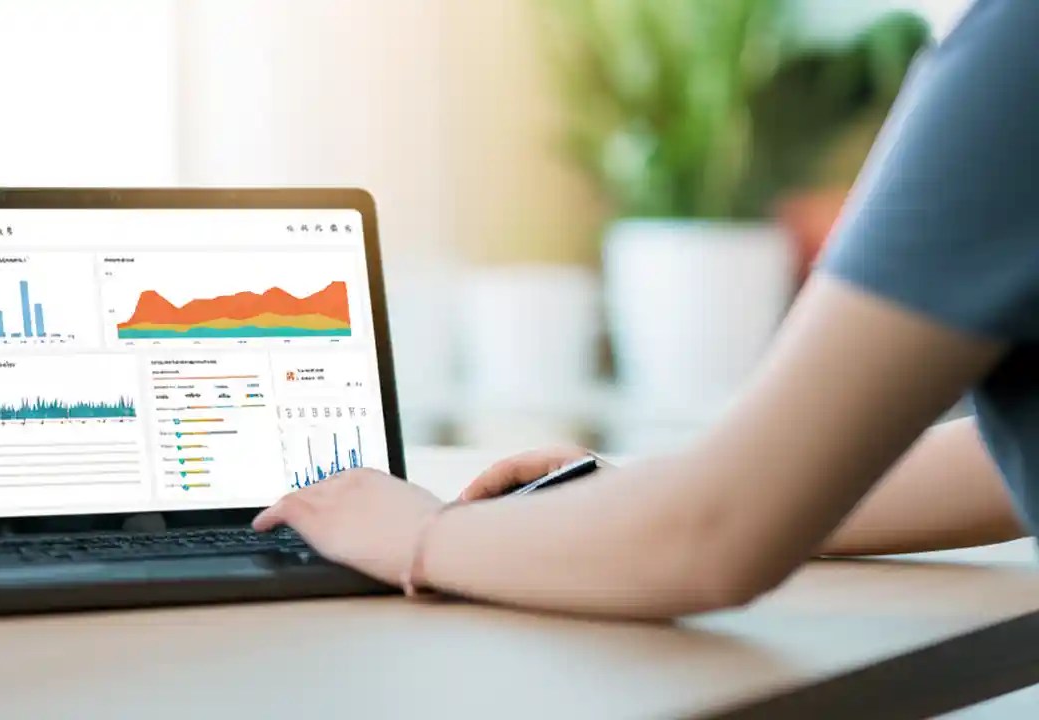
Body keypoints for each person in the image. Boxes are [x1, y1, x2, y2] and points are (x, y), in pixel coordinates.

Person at [254, 0, 1039, 619]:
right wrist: (644, 498)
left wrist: (420, 538)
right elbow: (996, 469)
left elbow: (712, 539)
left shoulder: (1016, 56)